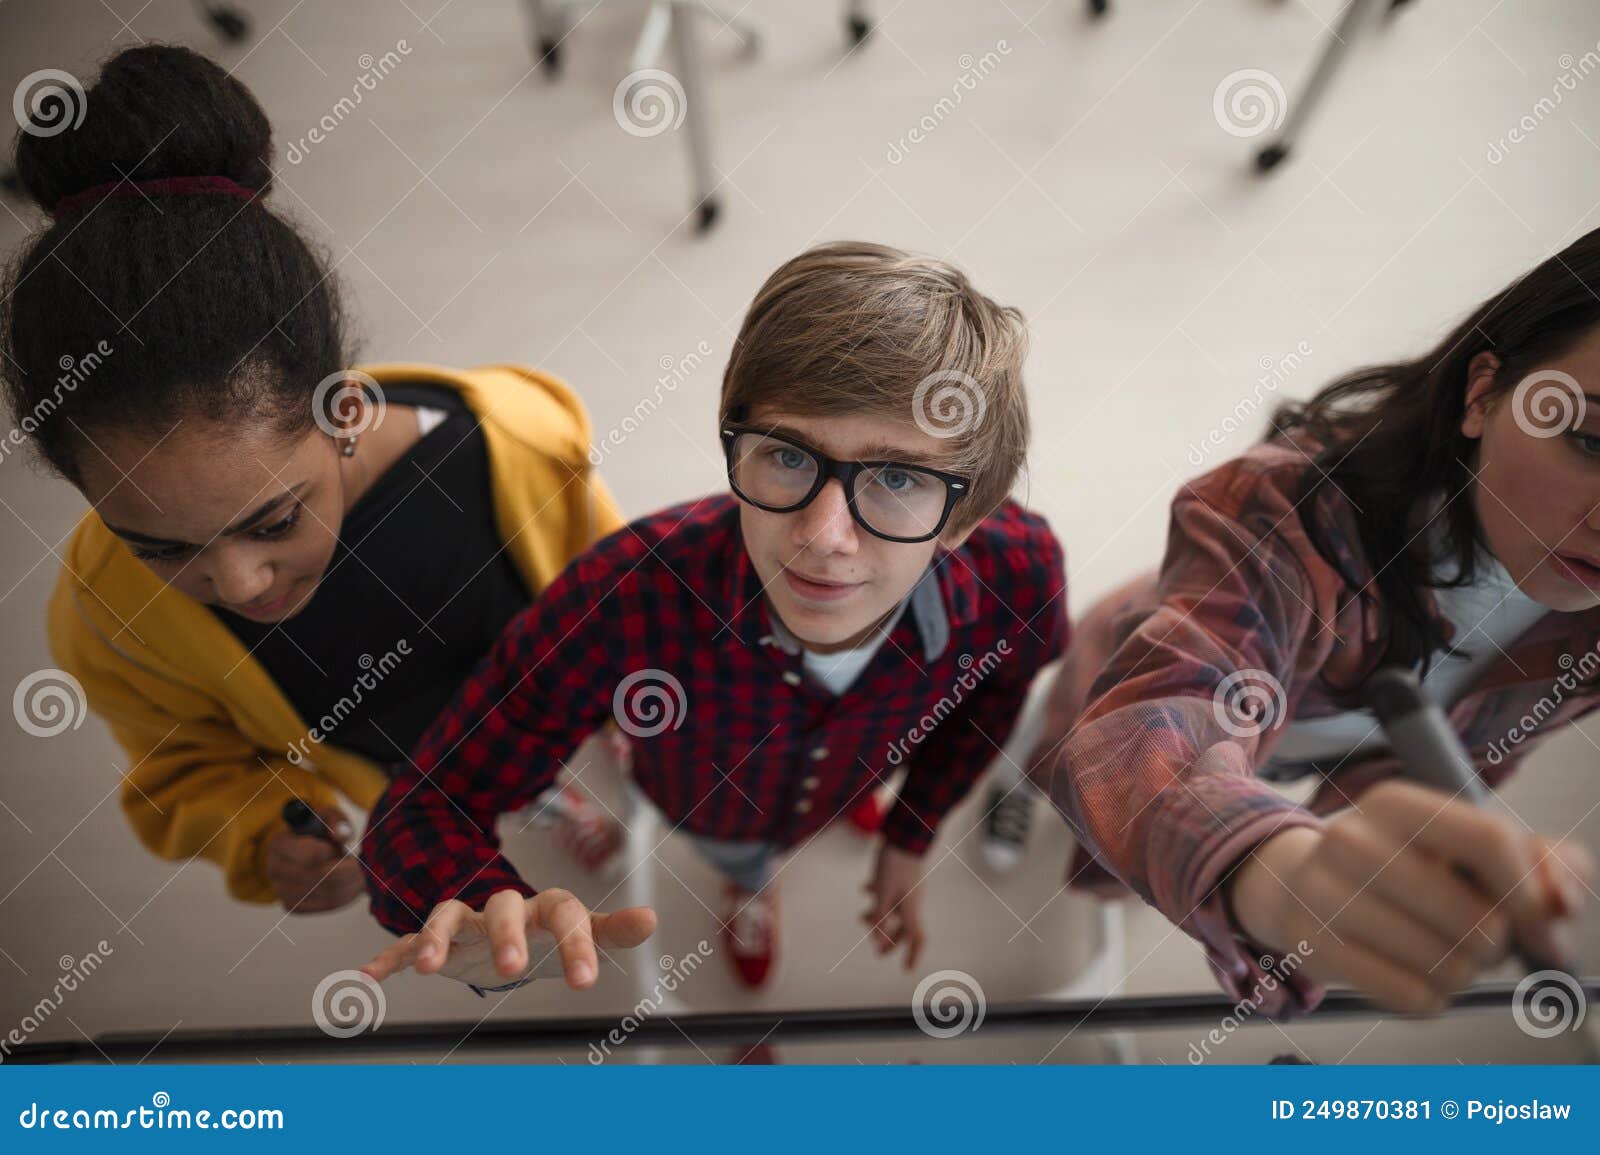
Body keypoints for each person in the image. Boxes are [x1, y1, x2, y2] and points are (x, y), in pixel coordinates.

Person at [4, 45, 628, 915]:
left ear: (345, 414)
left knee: (572, 728)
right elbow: (186, 765)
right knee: (500, 791)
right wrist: (266, 835)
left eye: (272, 521)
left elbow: (613, 581)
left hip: (547, 685)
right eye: (159, 548)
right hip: (398, 764)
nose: (238, 584)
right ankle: (551, 806)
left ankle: (575, 764)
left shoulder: (513, 444)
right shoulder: (108, 617)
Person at [359, 241, 1068, 991]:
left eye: (897, 477)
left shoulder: (1018, 575)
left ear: (968, 515)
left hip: (869, 756)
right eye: (788, 455)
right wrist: (476, 902)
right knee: (740, 852)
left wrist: (911, 826)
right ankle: (748, 881)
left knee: (854, 780)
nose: (823, 536)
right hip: (713, 807)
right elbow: (426, 803)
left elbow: (995, 697)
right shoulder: (625, 595)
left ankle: (850, 800)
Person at [1028, 230, 1600, 1016]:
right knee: (1047, 747)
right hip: (1134, 665)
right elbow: (1135, 735)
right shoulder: (1281, 508)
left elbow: (1459, 753)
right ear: (1482, 395)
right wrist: (1283, 874)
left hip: (1293, 759)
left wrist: (1365, 849)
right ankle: (1011, 781)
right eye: (1592, 441)